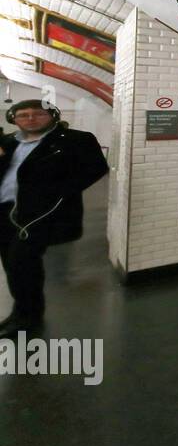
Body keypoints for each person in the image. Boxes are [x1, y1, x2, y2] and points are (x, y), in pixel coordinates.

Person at [0, 100, 109, 338]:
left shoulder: (74, 140)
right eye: (23, 115)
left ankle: (28, 316)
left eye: (38, 114)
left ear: (52, 116)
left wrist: (60, 191)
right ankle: (20, 312)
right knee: (11, 264)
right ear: (13, 118)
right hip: (4, 212)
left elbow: (97, 168)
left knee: (23, 263)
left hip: (39, 215)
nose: (30, 119)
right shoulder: (7, 143)